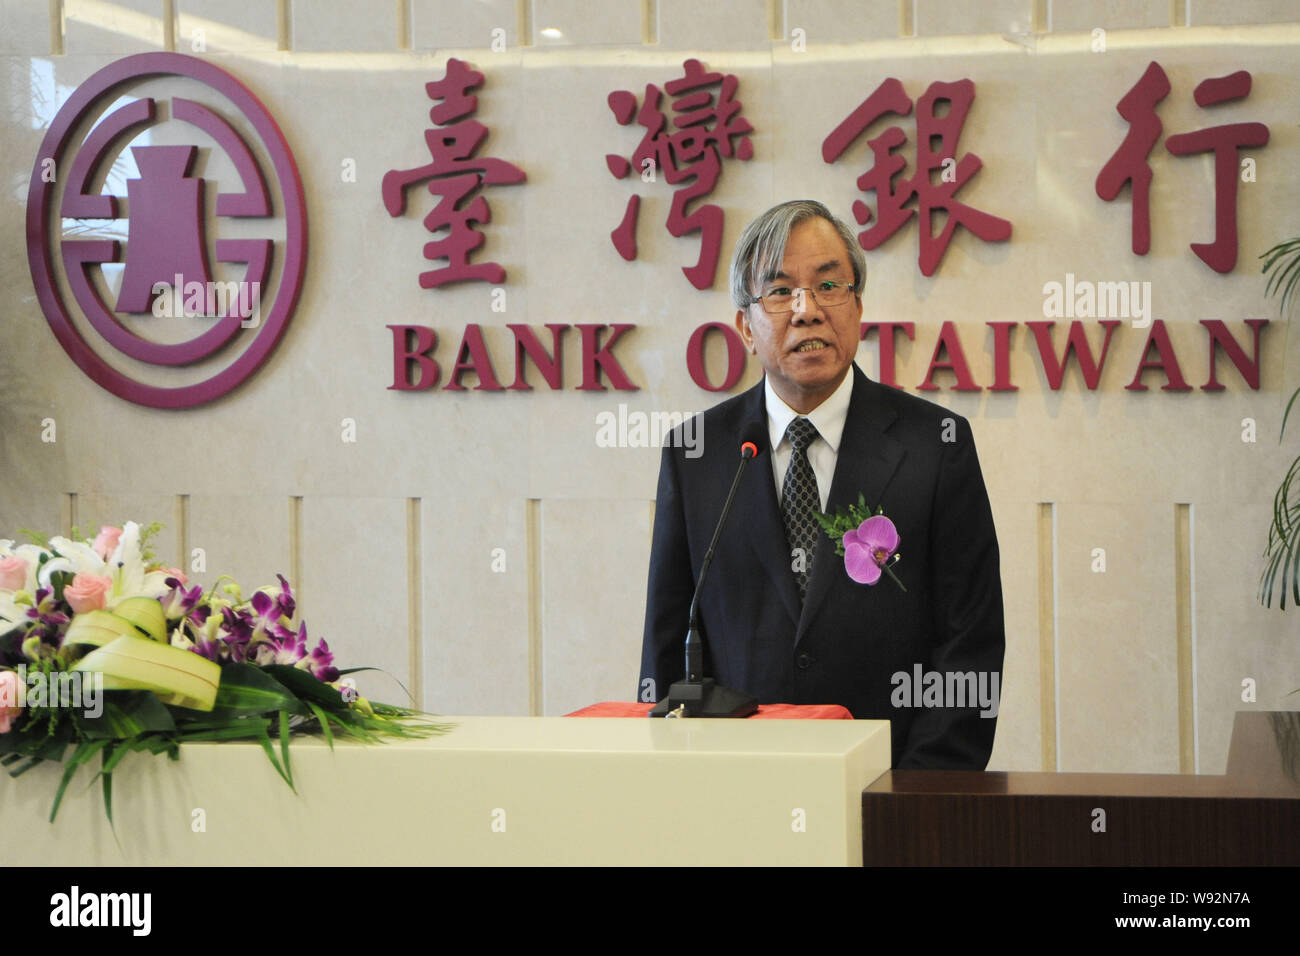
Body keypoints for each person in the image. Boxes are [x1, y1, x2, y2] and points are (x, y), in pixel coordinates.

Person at [639, 199, 1005, 769]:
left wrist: (921, 796)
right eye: (781, 291)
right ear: (746, 328)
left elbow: (970, 643)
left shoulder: (935, 445)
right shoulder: (700, 454)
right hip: (736, 797)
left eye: (829, 284)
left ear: (858, 306)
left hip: (891, 798)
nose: (807, 310)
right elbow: (667, 646)